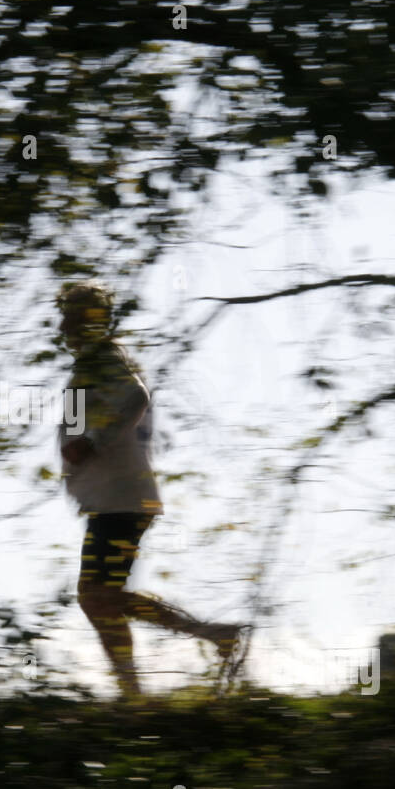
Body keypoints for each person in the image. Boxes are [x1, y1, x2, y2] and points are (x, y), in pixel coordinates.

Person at [56, 281, 244, 697]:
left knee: (96, 597)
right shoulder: (89, 367)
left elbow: (135, 398)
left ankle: (199, 645)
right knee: (99, 599)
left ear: (95, 320)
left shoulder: (106, 360)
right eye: (64, 317)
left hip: (121, 500)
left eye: (73, 317)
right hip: (111, 501)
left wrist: (92, 441)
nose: (64, 326)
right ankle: (139, 689)